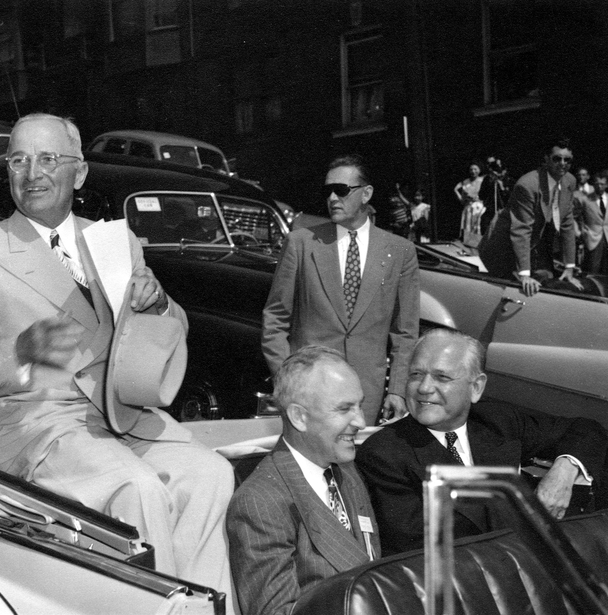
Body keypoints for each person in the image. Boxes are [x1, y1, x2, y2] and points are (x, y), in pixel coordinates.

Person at [0, 113, 235, 598]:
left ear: (80, 172)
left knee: (211, 476)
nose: (32, 173)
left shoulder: (116, 242)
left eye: (48, 158)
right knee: (137, 490)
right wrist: (20, 352)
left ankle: (203, 607)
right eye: (18, 160)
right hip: (37, 425)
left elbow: (172, 332)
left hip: (124, 416)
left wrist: (157, 302)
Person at [356, 328, 607, 557]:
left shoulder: (497, 420)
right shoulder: (383, 453)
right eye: (416, 374)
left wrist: (564, 470)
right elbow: (434, 543)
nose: (424, 388)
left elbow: (585, 430)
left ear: (476, 388)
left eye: (442, 377)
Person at [262, 154, 420, 425]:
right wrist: (286, 380)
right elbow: (275, 321)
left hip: (367, 396)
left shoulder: (400, 252)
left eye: (342, 190)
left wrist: (397, 389)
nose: (333, 198)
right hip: (309, 393)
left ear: (366, 194)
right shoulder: (301, 244)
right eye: (328, 191)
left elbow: (405, 332)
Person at [227, 345, 380, 615]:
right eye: (344, 409)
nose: (361, 420)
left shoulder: (346, 471)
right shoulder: (261, 502)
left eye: (359, 405)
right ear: (299, 417)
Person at [478, 137, 584, 296]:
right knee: (513, 295)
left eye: (567, 160)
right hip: (503, 246)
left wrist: (569, 267)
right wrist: (524, 275)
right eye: (557, 159)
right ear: (546, 159)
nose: (563, 163)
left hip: (534, 245)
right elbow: (521, 230)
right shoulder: (527, 185)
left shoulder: (570, 181)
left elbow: (567, 226)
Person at [574, 169, 608, 275]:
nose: (599, 186)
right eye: (597, 184)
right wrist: (579, 232)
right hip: (592, 238)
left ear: (606, 185)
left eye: (602, 184)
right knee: (593, 270)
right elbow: (573, 217)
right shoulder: (585, 200)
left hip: (607, 237)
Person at [454, 161, 485, 242]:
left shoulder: (483, 180)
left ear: (480, 170)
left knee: (477, 228)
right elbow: (461, 198)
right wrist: (458, 194)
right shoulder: (466, 182)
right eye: (471, 169)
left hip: (479, 207)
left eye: (475, 169)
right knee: (468, 229)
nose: (473, 171)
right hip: (468, 207)